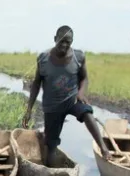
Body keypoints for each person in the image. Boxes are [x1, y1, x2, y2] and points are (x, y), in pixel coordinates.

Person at [22, 25, 109, 165]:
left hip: (72, 100)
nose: (64, 44)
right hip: (52, 106)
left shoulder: (78, 56)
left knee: (87, 112)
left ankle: (103, 148)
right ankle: (50, 174)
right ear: (55, 39)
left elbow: (84, 78)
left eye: (68, 41)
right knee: (51, 146)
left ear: (72, 42)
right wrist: (29, 110)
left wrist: (81, 93)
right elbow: (36, 84)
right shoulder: (43, 58)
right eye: (61, 40)